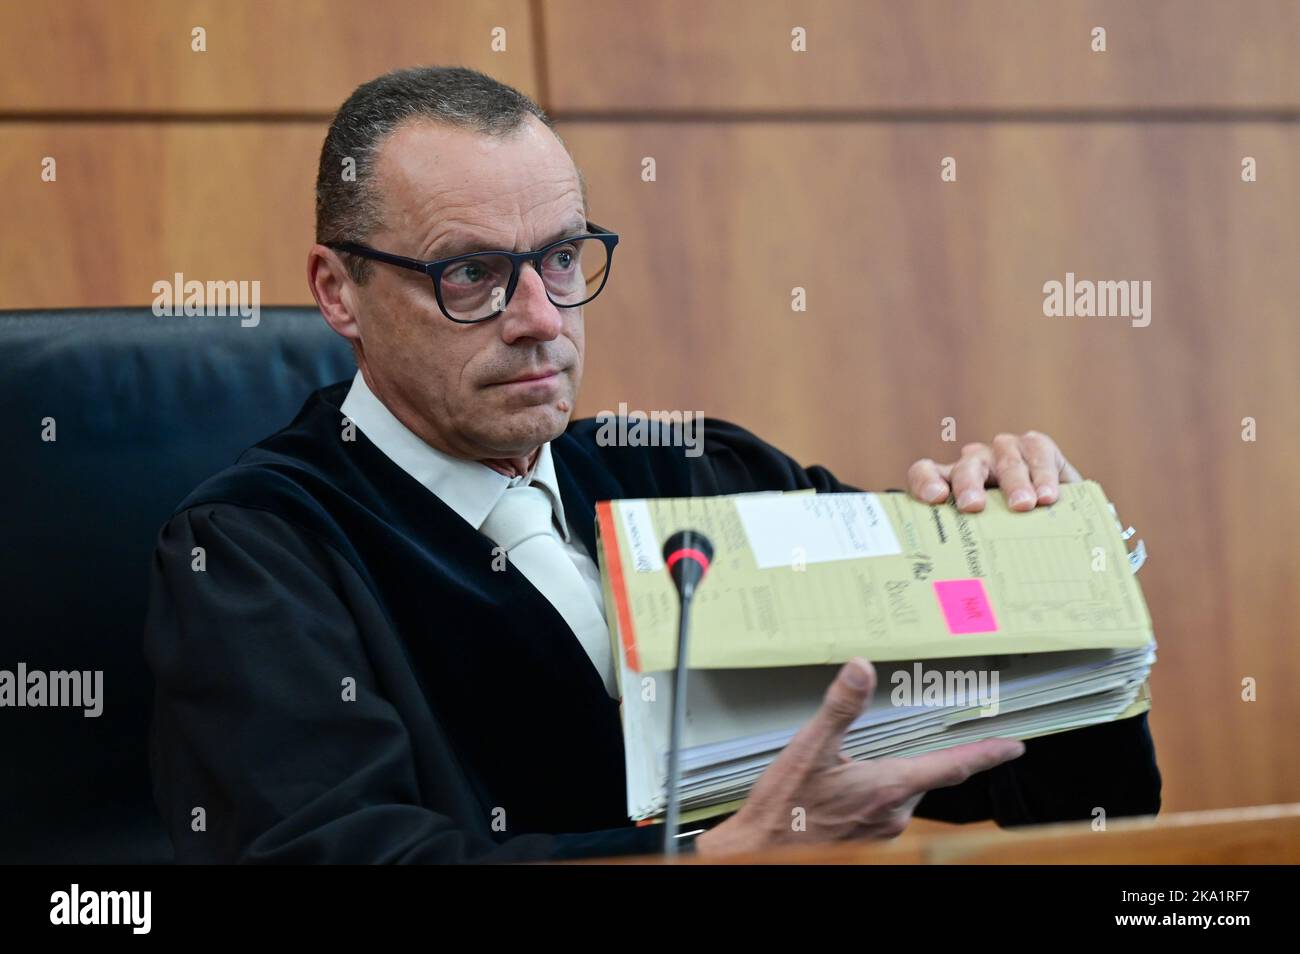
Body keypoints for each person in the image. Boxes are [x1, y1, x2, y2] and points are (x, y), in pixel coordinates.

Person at [142, 66, 1161, 863]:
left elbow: (1061, 798)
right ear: (339, 290)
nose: (541, 320)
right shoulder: (253, 557)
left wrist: (1042, 575)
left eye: (558, 257)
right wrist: (711, 860)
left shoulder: (694, 474)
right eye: (470, 273)